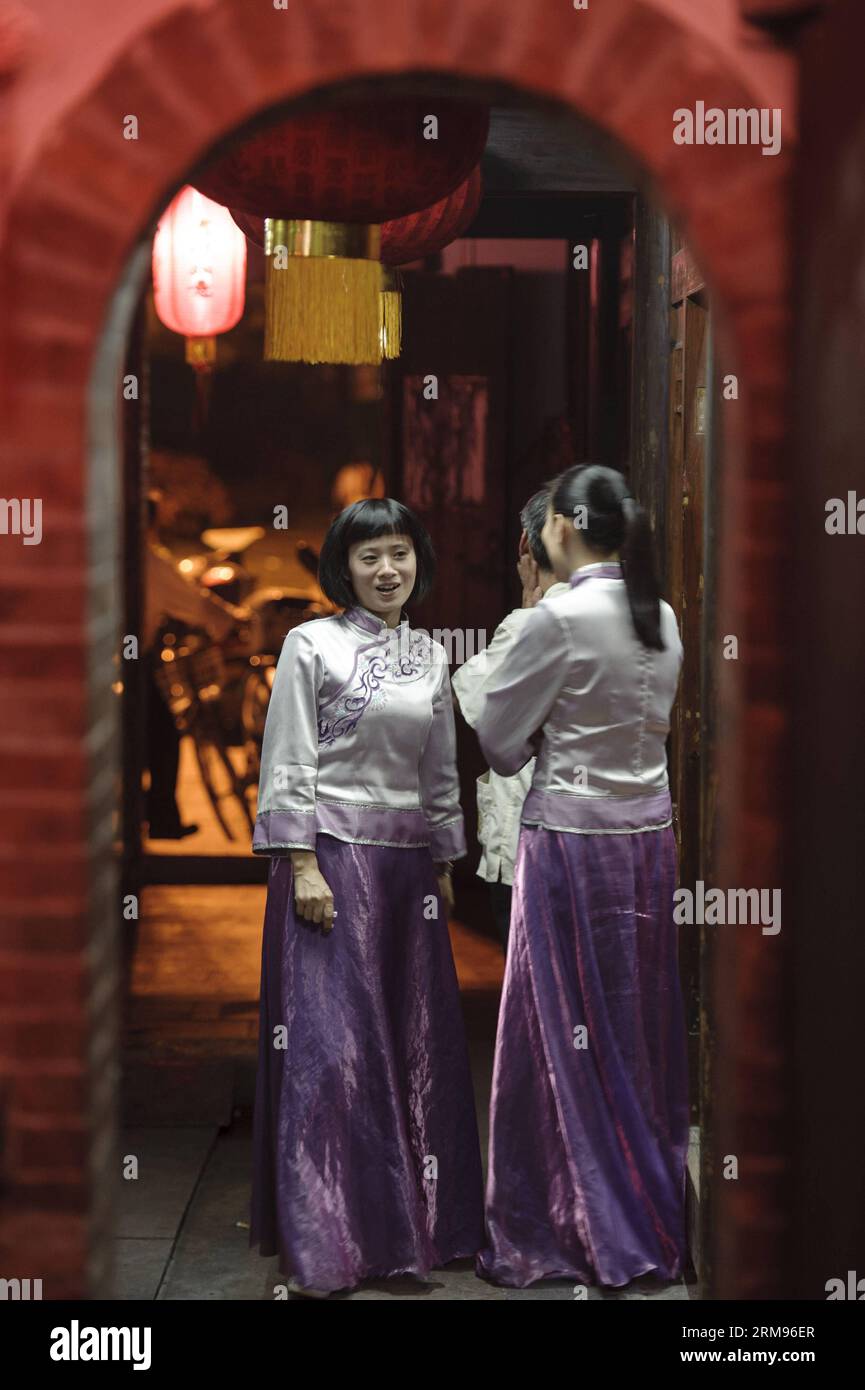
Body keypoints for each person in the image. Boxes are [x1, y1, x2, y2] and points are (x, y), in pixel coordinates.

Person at [249, 497, 485, 1296]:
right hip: (332, 865)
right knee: (336, 1051)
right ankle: (332, 1239)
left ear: (418, 560)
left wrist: (446, 861)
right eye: (369, 557)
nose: (388, 571)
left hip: (407, 871)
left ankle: (417, 1226)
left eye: (400, 554)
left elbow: (439, 771)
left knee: (414, 1046)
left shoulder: (431, 656)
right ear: (342, 569)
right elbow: (289, 753)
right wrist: (301, 862)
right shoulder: (308, 643)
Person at [472, 463, 689, 1289]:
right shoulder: (658, 614)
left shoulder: (553, 618)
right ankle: (644, 1211)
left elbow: (497, 745)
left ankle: (570, 1221)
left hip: (567, 839)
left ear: (561, 525)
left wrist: (537, 738)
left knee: (555, 1028)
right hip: (644, 844)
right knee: (631, 1024)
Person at [451, 489, 570, 951]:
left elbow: (481, 707)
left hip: (529, 847)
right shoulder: (639, 614)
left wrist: (525, 611)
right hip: (603, 839)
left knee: (534, 990)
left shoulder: (533, 624)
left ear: (525, 544)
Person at [142, 491, 246, 839]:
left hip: (121, 660)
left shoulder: (123, 555)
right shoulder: (150, 562)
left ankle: (151, 814)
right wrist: (232, 621)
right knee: (161, 736)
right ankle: (160, 819)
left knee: (149, 736)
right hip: (133, 661)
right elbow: (194, 604)